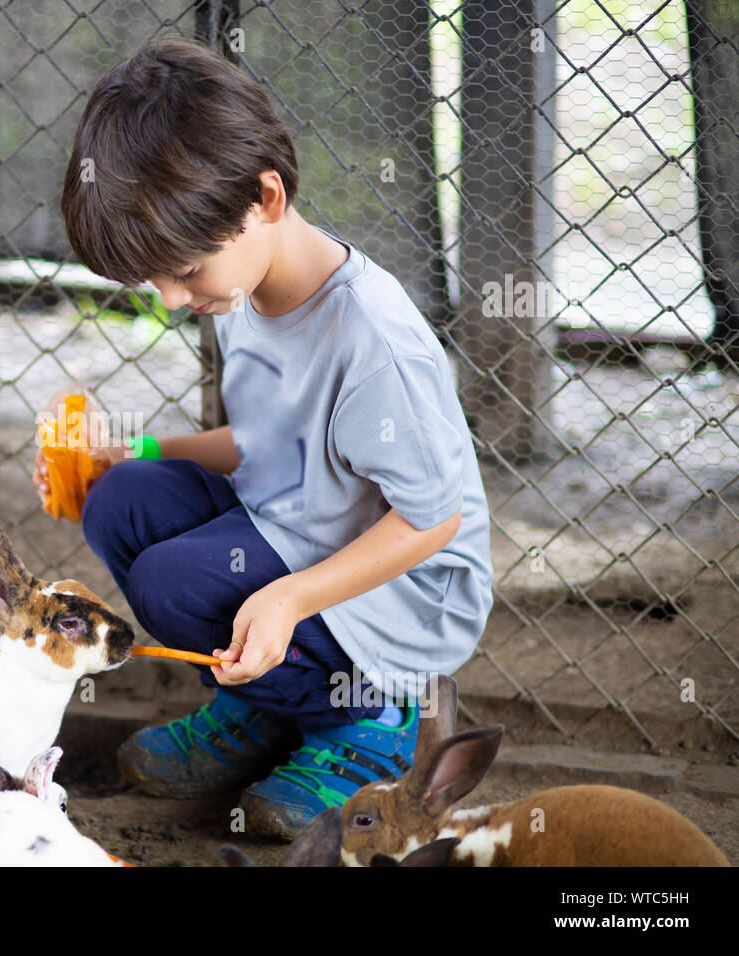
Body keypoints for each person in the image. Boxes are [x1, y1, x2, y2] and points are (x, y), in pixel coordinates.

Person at [37, 34, 493, 839]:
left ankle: (364, 721)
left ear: (266, 199)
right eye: (158, 280)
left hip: (408, 593)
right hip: (301, 524)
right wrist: (134, 452)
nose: (175, 300)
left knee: (175, 586)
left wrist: (287, 599)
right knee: (121, 505)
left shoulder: (370, 340)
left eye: (185, 272)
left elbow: (436, 518)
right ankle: (270, 703)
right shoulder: (244, 289)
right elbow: (257, 443)